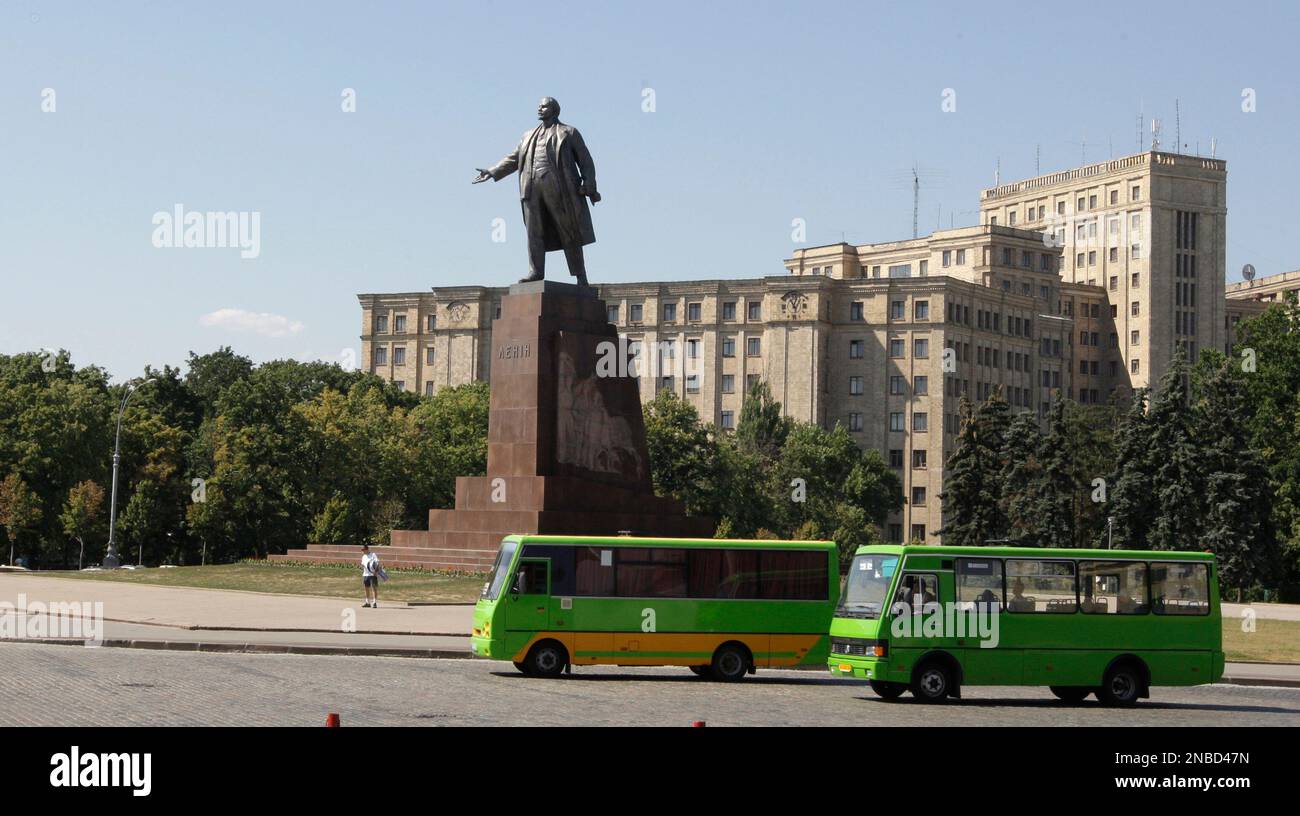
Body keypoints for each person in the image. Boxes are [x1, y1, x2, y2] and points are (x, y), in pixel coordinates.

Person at [473, 97, 600, 285]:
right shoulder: (527, 136)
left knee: (569, 232)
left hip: (558, 187)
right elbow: (514, 158)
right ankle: (536, 272)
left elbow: (585, 160)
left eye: (544, 105)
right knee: (534, 231)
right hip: (531, 187)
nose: (540, 108)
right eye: (539, 106)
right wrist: (492, 171)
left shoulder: (568, 132)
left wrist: (589, 184)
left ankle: (580, 276)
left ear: (555, 110)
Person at [361, 544, 381, 609]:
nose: (363, 551)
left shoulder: (373, 555)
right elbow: (363, 564)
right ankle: (367, 602)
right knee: (366, 588)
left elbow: (377, 563)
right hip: (366, 574)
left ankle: (374, 602)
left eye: (364, 550)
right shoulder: (363, 556)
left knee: (374, 588)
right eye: (362, 550)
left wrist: (376, 571)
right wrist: (362, 567)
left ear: (367, 549)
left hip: (372, 574)